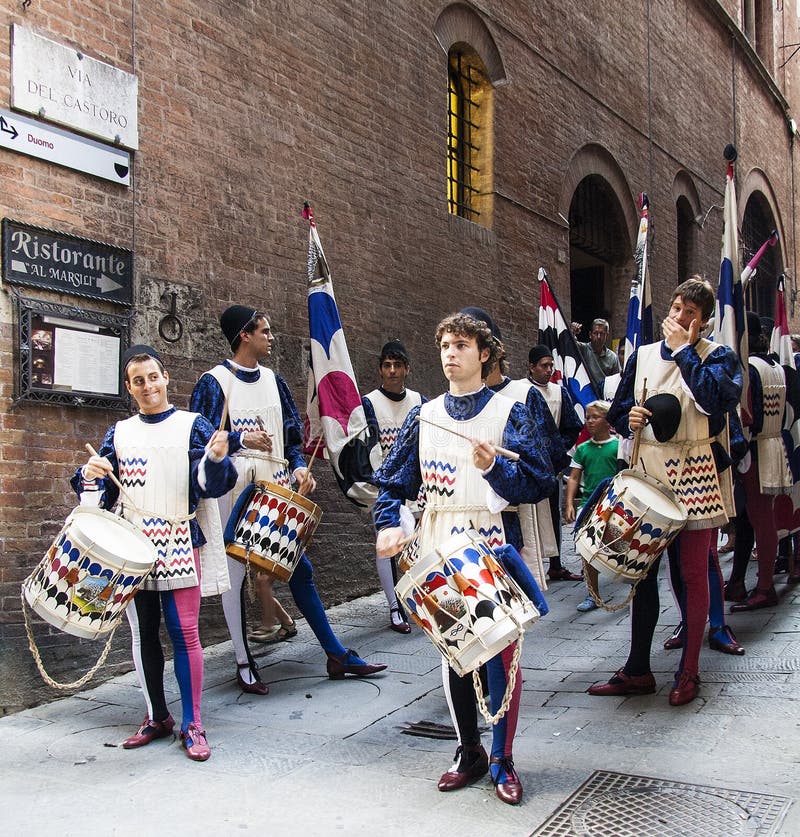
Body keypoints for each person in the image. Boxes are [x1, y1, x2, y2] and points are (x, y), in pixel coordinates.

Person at [373, 312, 556, 806]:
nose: (450, 353)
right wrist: (391, 523)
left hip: (493, 539)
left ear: (485, 353)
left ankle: (503, 757)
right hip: (439, 538)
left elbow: (542, 478)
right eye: (445, 345)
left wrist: (495, 466)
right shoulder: (425, 414)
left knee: (501, 653)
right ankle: (469, 749)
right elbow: (392, 483)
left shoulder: (517, 404)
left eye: (461, 344)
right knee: (454, 652)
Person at [190, 305, 386, 694]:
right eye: (264, 331)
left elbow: (292, 437)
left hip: (276, 489)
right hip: (234, 491)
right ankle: (244, 661)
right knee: (234, 577)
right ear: (244, 335)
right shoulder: (213, 384)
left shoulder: (275, 382)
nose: (272, 337)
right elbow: (198, 441)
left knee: (300, 568)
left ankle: (336, 653)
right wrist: (242, 440)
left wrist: (298, 467)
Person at [73, 345, 238, 761]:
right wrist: (90, 476)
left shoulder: (192, 426)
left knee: (184, 633)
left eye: (153, 377)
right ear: (129, 388)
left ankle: (193, 723)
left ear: (166, 379)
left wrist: (216, 459)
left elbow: (209, 485)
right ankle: (156, 716)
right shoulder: (120, 432)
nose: (148, 386)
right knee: (143, 632)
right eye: (138, 380)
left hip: (180, 538)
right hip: (133, 544)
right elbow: (104, 489)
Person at [588, 277, 741, 706]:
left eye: (689, 313)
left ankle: (688, 671)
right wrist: (628, 419)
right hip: (647, 475)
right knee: (641, 575)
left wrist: (685, 352)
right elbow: (615, 413)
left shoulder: (719, 358)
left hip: (694, 478)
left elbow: (715, 401)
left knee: (692, 575)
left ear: (704, 321)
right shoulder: (642, 356)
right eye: (675, 308)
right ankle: (637, 669)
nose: (677, 317)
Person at [464, 306, 567, 589]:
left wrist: (518, 479)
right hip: (471, 515)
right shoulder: (458, 402)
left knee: (515, 597)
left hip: (515, 515)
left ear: (490, 351)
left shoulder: (523, 396)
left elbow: (552, 456)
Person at [726, 312, 793, 610]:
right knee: (759, 518)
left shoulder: (750, 368)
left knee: (761, 519)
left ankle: (765, 587)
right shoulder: (775, 365)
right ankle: (747, 582)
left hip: (756, 449)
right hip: (774, 442)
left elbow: (747, 417)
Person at [362, 339, 425, 633]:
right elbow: (370, 447)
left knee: (418, 544)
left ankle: (417, 598)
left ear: (407, 369)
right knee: (387, 544)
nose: (392, 371)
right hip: (387, 486)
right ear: (380, 370)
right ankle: (393, 606)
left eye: (397, 365)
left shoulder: (420, 402)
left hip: (416, 485)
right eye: (387, 365)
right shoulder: (370, 403)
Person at [527, 344, 584, 581]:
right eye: (544, 365)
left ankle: (556, 563)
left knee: (552, 512)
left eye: (551, 365)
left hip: (550, 464)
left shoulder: (559, 393)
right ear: (531, 366)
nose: (549, 369)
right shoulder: (520, 391)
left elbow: (573, 425)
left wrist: (557, 448)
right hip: (527, 464)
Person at [564, 400, 618, 612]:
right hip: (589, 504)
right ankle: (592, 593)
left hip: (613, 504)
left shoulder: (617, 446)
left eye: (595, 417)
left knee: (619, 547)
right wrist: (569, 503)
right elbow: (574, 477)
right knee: (587, 551)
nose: (590, 421)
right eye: (588, 417)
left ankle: (634, 584)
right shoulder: (583, 449)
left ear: (607, 420)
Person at [579, 318, 620, 388]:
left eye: (602, 334)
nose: (598, 337)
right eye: (595, 333)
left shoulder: (612, 357)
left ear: (607, 335)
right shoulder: (583, 349)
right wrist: (572, 332)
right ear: (590, 334)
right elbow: (569, 345)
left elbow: (616, 380)